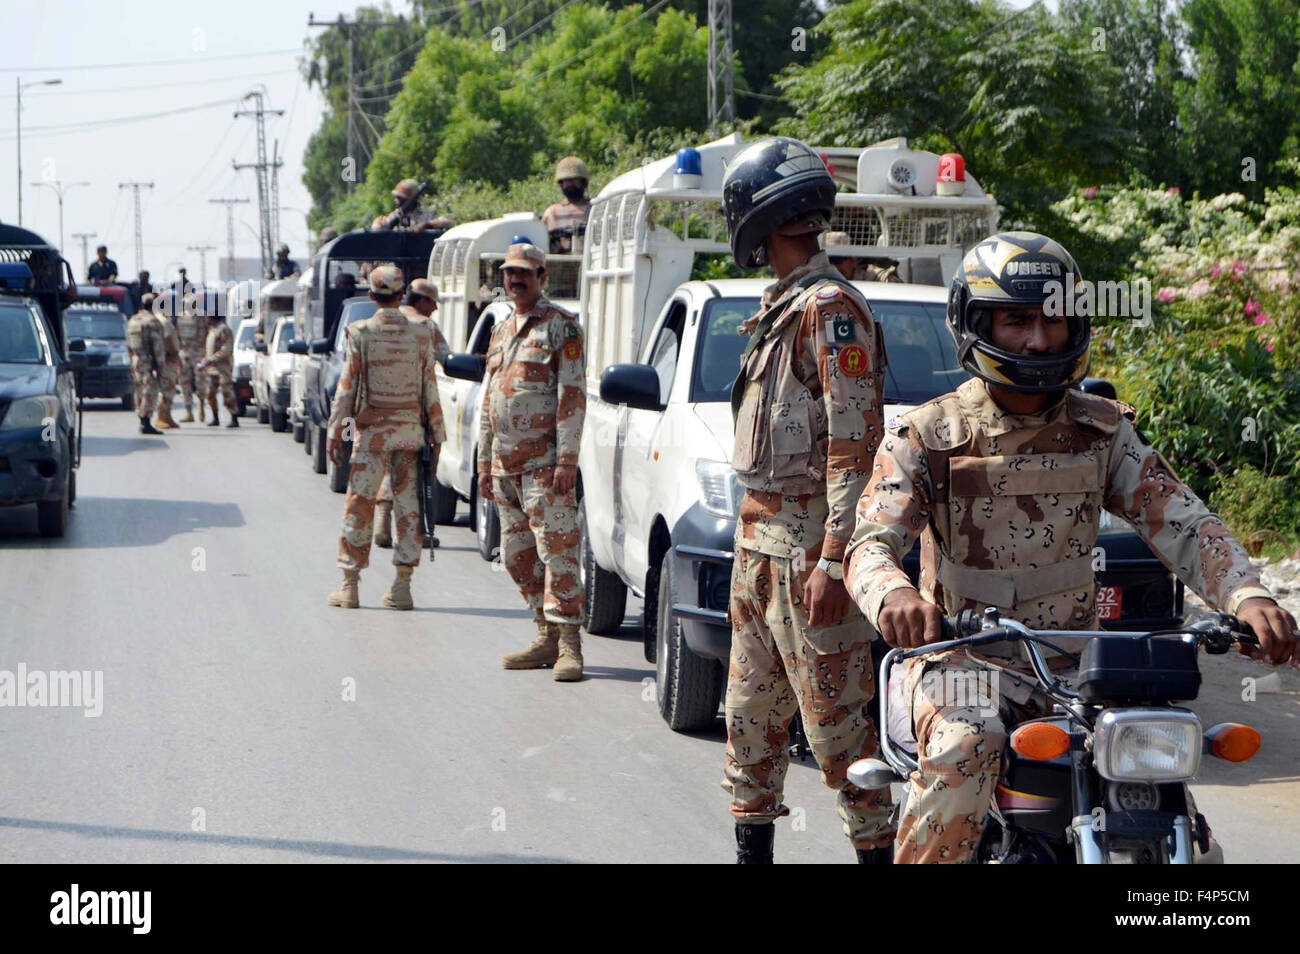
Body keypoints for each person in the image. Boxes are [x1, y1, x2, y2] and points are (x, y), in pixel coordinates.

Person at [844, 230, 1300, 864]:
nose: (1037, 339)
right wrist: (895, 593)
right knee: (965, 745)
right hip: (963, 663)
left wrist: (1247, 595)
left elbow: (1189, 524)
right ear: (974, 323)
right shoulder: (928, 435)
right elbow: (867, 546)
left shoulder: (1102, 432)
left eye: (1053, 319)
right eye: (1016, 320)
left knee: (1175, 808)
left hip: (1080, 666)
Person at [718, 136, 894, 865]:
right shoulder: (781, 307)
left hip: (806, 560)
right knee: (750, 727)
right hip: (758, 554)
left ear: (758, 219)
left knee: (839, 737)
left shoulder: (830, 309)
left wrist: (833, 560)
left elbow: (856, 447)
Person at [478, 242, 587, 681]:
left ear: (542, 276)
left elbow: (572, 395)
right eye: (509, 273)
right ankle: (543, 635)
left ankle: (568, 646)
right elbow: (491, 399)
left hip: (545, 466)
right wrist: (484, 464)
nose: (515, 280)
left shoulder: (562, 327)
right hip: (505, 468)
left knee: (558, 554)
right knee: (518, 557)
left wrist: (567, 460)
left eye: (525, 273)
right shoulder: (501, 329)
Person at [326, 265, 445, 611]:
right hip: (410, 435)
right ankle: (402, 586)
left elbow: (346, 390)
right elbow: (430, 389)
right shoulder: (422, 333)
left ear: (372, 295)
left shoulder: (360, 332)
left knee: (359, 505)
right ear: (400, 294)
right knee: (409, 510)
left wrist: (338, 433)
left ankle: (349, 586)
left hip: (372, 436)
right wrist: (437, 437)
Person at [372, 278, 450, 551]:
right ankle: (417, 530)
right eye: (433, 303)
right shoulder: (425, 326)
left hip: (380, 407)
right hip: (415, 409)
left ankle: (382, 521)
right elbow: (446, 358)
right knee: (420, 468)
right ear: (423, 301)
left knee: (387, 463)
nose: (434, 310)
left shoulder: (380, 320)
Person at [125, 294, 165, 435]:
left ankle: (142, 419)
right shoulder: (152, 321)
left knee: (139, 390)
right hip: (148, 361)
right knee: (151, 391)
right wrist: (160, 367)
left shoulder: (133, 321)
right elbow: (157, 346)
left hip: (136, 360)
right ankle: (145, 421)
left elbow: (128, 344)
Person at [541, 157, 591, 254]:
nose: (568, 184)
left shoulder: (595, 208)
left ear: (583, 182)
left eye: (573, 180)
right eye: (565, 181)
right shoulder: (552, 213)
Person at [197, 309, 238, 427]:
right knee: (210, 393)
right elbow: (209, 350)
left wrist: (211, 359)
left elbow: (226, 349)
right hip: (211, 369)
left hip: (223, 368)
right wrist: (204, 362)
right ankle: (215, 417)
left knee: (227, 392)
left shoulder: (223, 329)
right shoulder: (212, 331)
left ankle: (234, 416)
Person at [176, 290, 208, 423]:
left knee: (201, 383)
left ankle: (201, 405)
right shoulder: (181, 316)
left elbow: (206, 334)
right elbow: (177, 334)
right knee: (184, 383)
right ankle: (189, 412)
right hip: (184, 354)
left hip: (198, 353)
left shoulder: (202, 316)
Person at [822, 231, 902, 283]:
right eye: (827, 260)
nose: (833, 266)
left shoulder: (874, 278)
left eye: (837, 260)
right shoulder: (819, 281)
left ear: (853, 260)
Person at [152, 308, 182, 429]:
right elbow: (169, 339)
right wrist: (174, 352)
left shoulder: (157, 320)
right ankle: (160, 417)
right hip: (168, 359)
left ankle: (167, 416)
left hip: (164, 359)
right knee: (166, 389)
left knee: (170, 389)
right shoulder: (164, 321)